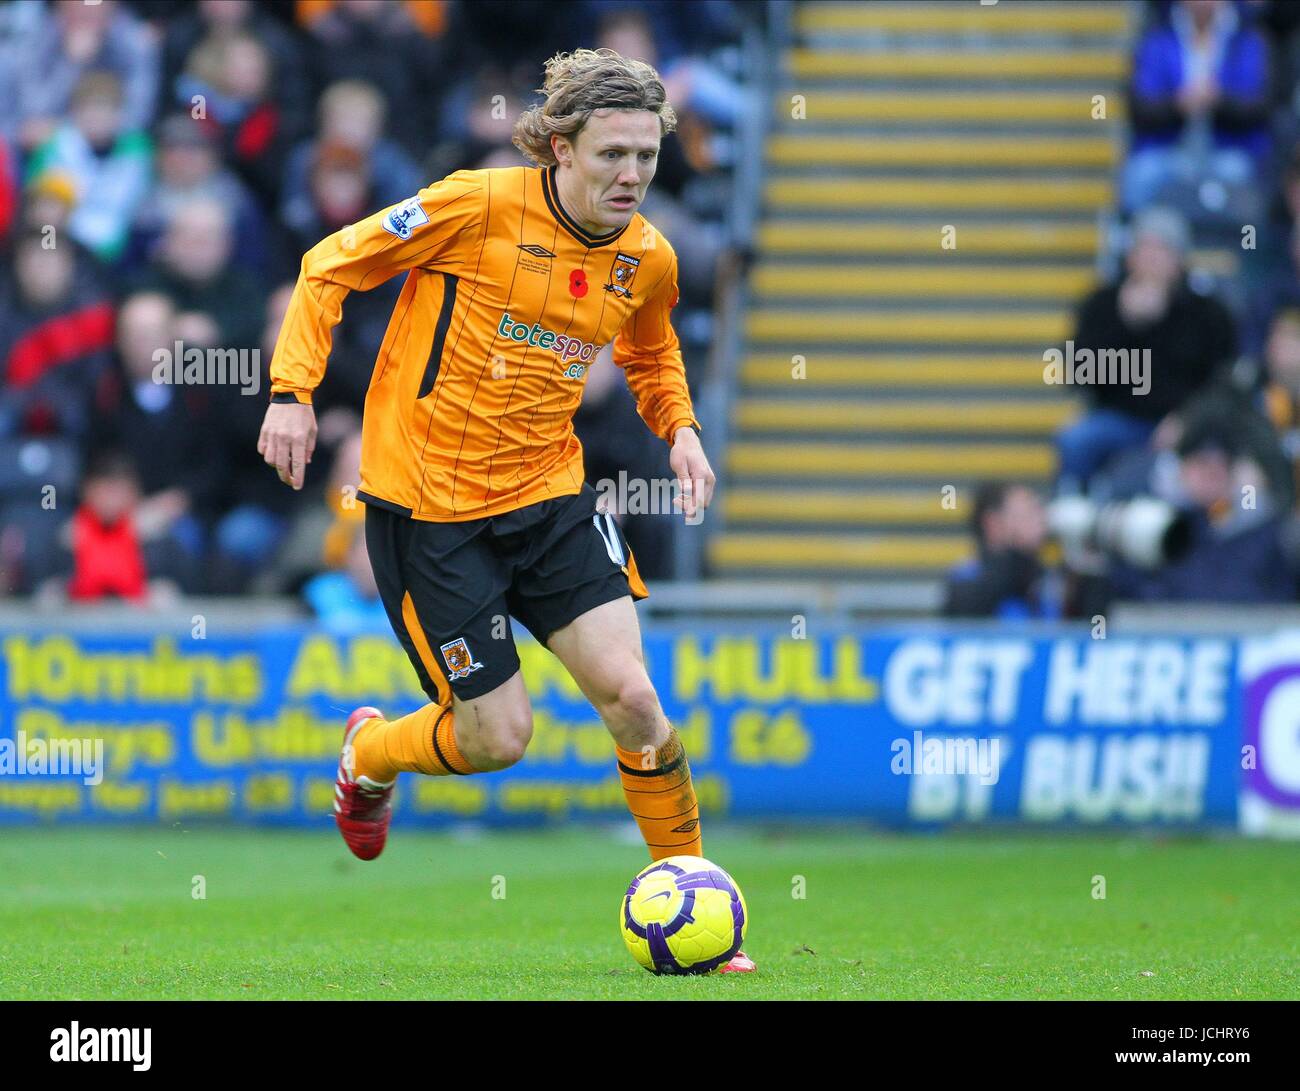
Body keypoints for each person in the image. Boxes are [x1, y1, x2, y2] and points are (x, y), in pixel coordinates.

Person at [259, 48, 748, 973]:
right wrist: (291, 391)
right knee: (498, 738)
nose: (633, 176)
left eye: (646, 156)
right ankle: (371, 752)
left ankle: (694, 904)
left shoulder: (648, 257)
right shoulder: (474, 205)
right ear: (559, 148)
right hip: (430, 511)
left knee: (636, 700)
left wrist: (678, 428)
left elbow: (651, 354)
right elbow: (331, 264)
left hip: (549, 496)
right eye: (612, 155)